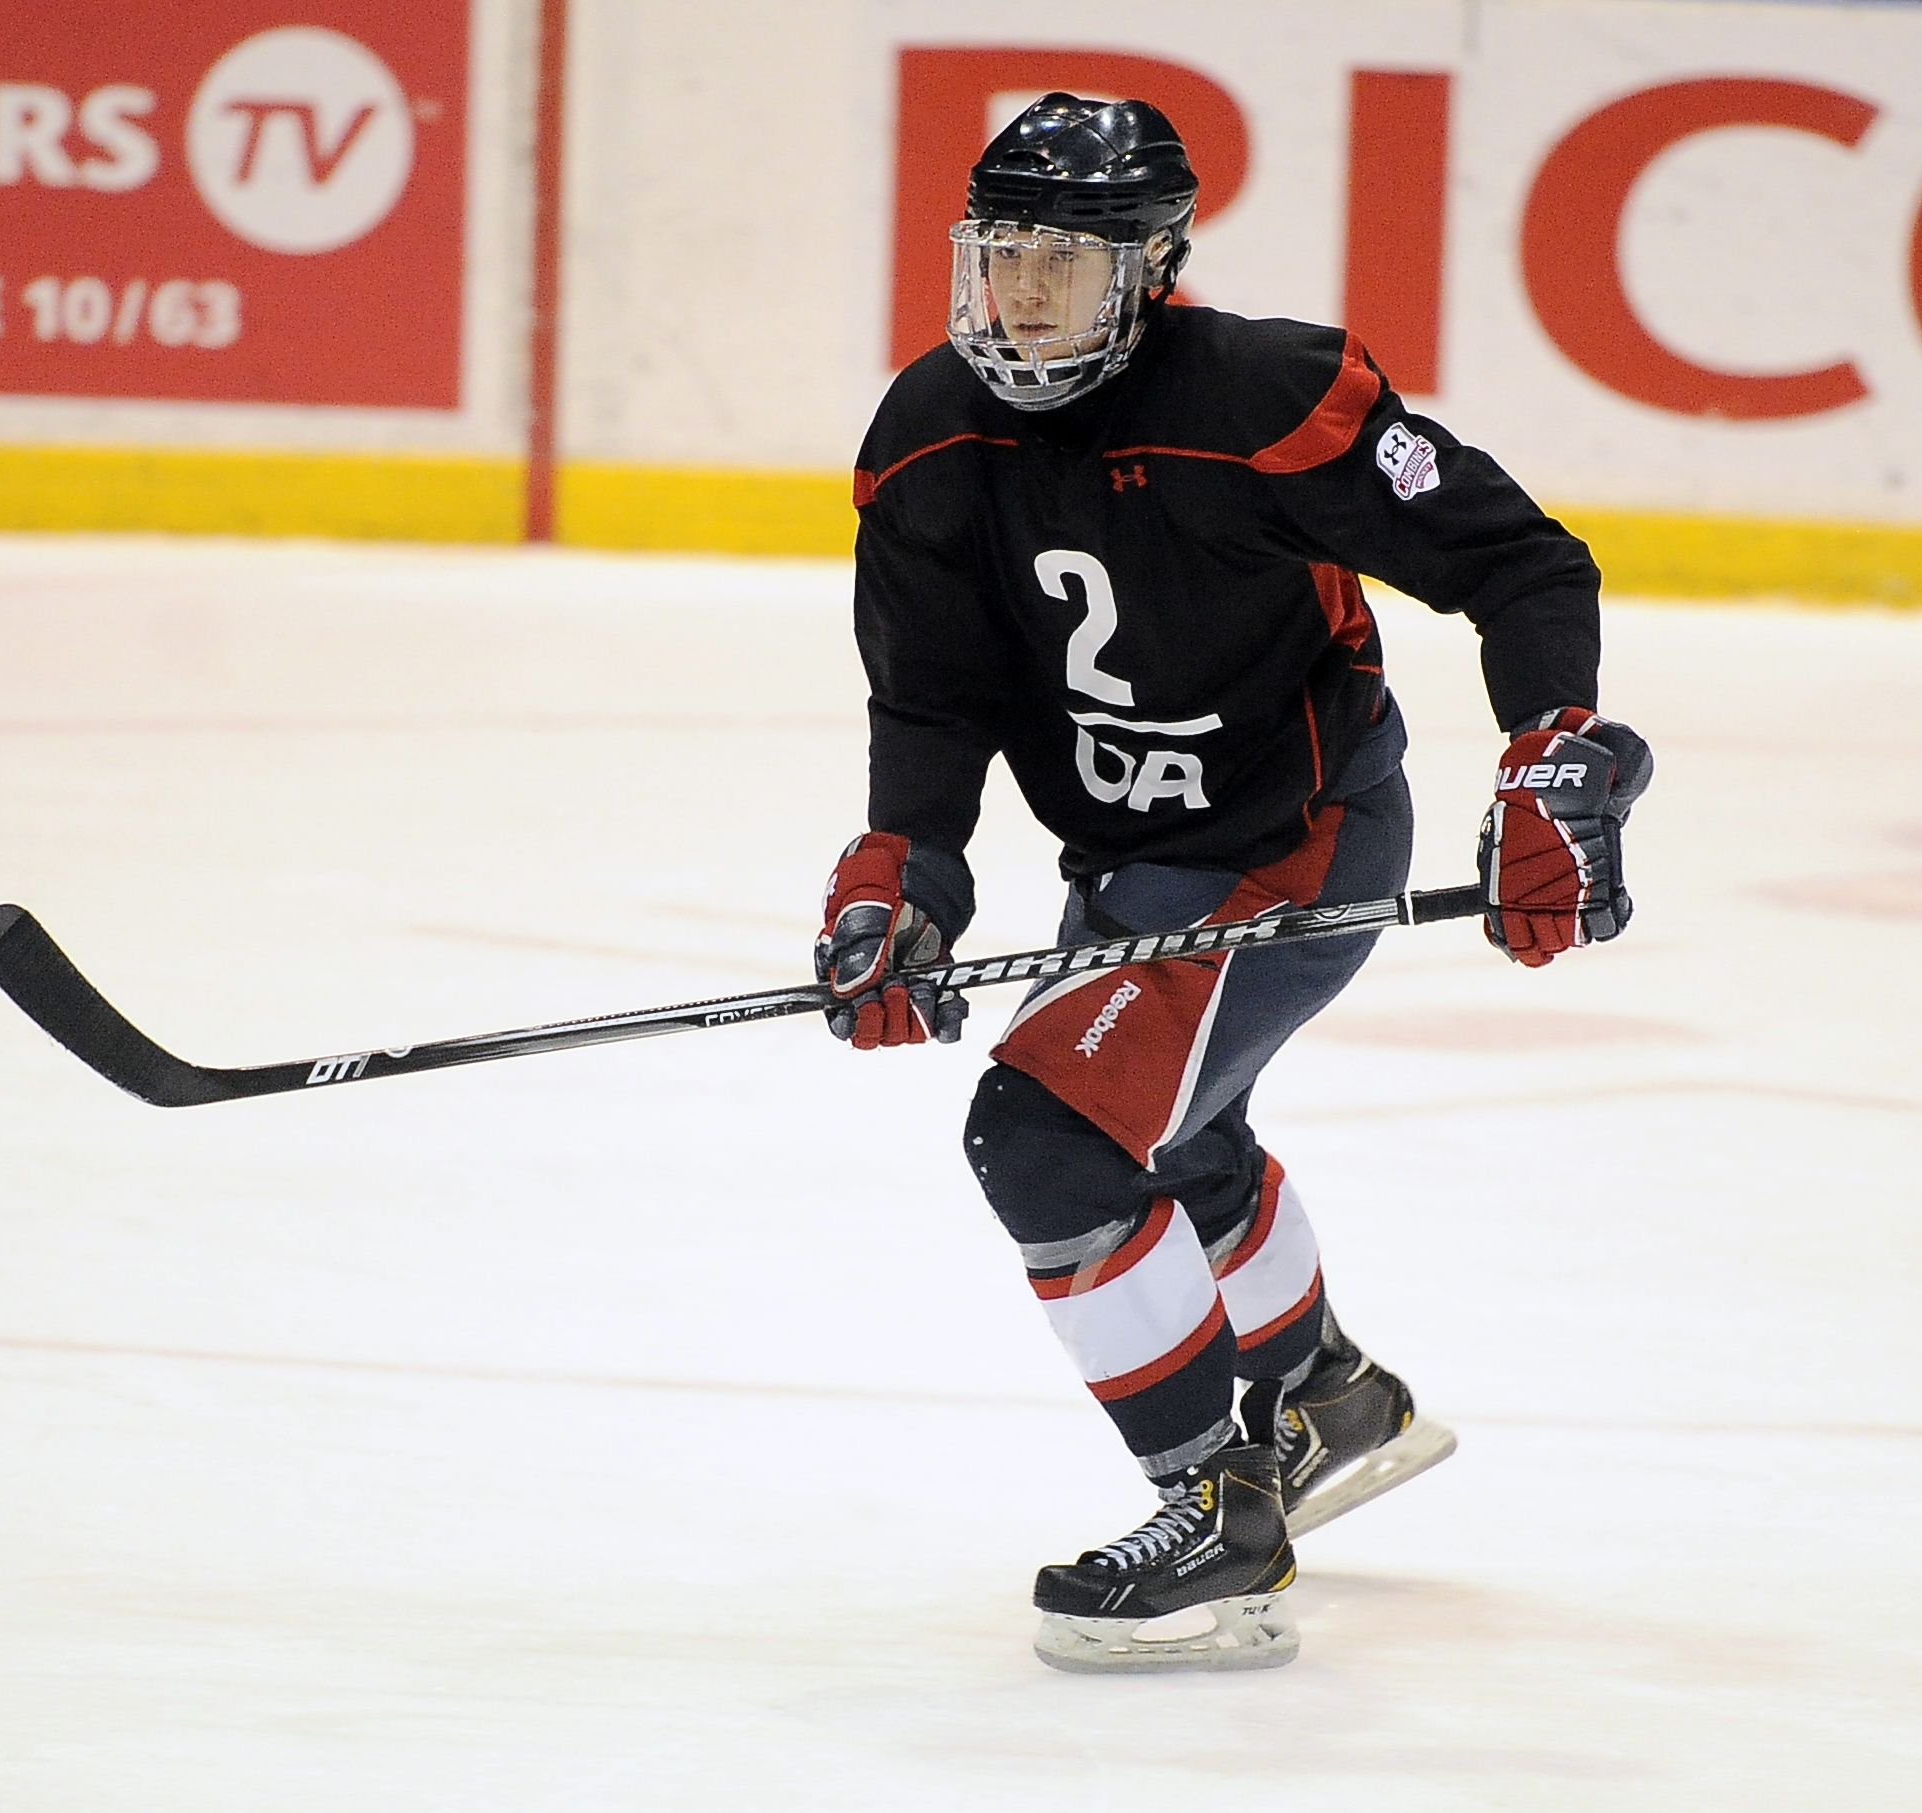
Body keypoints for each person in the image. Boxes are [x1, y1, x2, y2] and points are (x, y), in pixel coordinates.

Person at [813, 93, 1651, 1674]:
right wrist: (903, 876)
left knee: (1047, 1141)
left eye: (1060, 262)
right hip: (1126, 857)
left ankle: (1218, 1514)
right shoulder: (923, 432)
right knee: (1170, 1130)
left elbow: (1520, 563)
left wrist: (1552, 755)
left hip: (1297, 833)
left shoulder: (1269, 396)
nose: (1019, 293)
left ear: (1150, 268)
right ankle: (1327, 1401)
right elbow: (932, 700)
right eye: (998, 256)